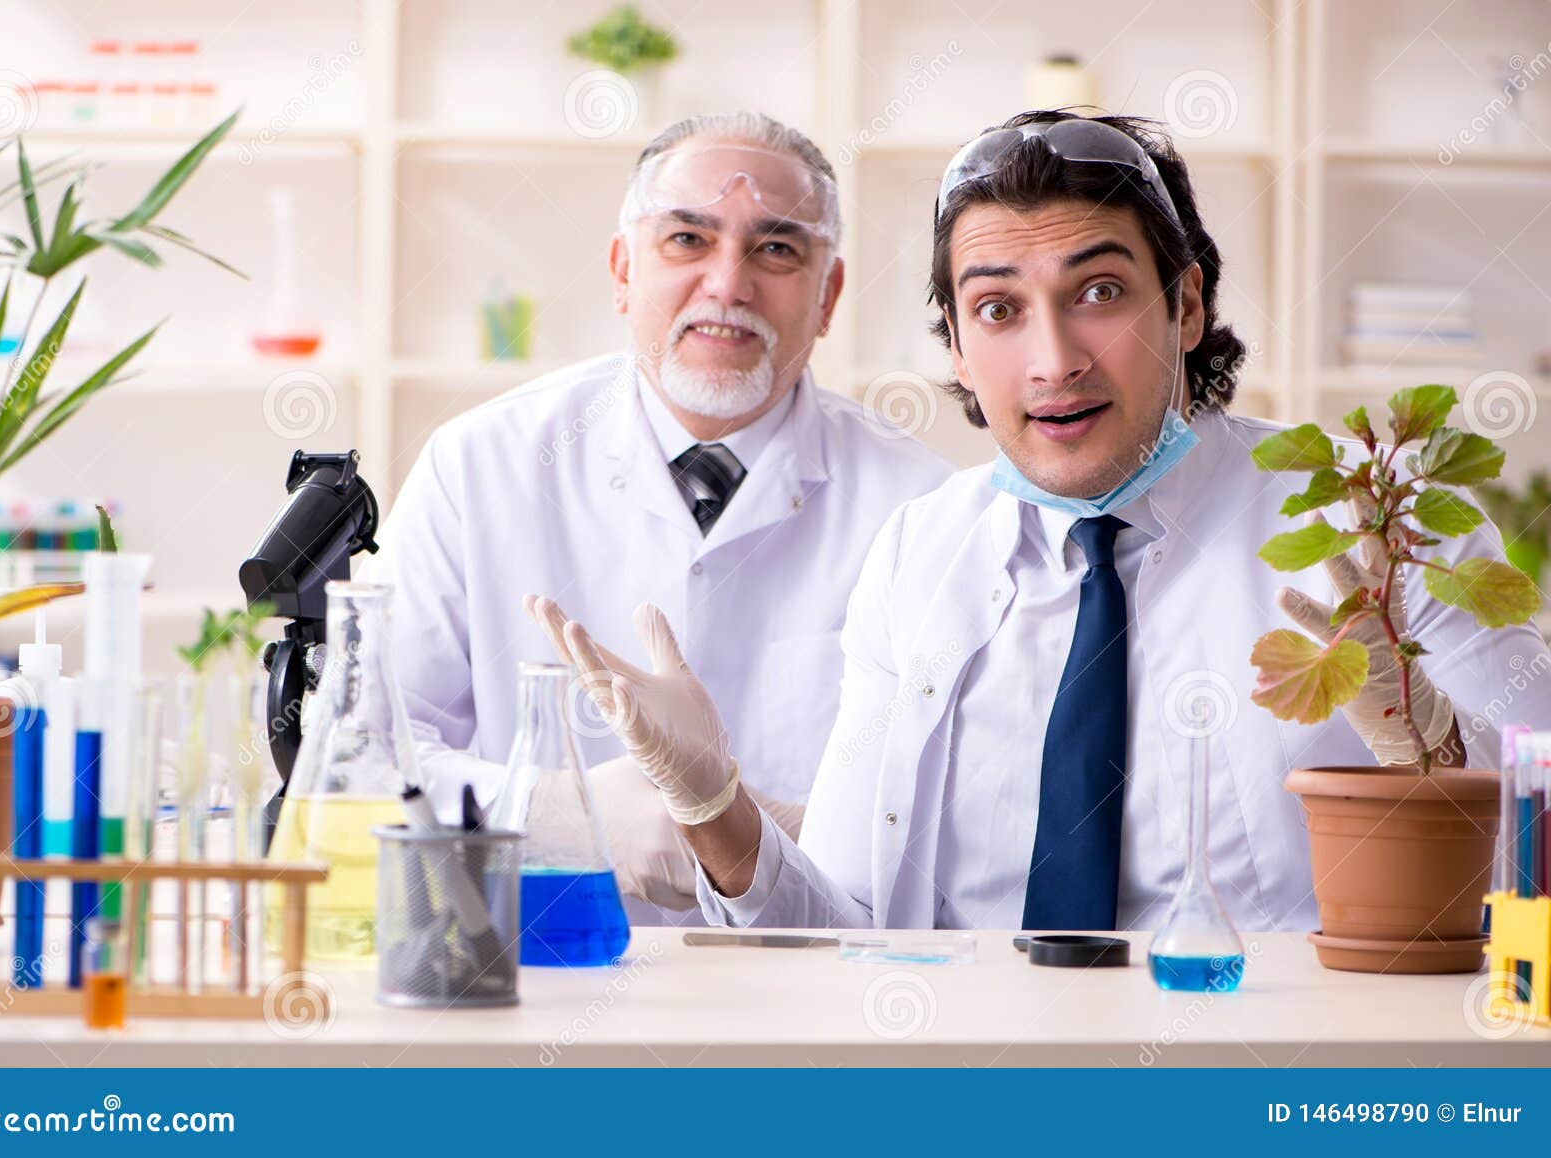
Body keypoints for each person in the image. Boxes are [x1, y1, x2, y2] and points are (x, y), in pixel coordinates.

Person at [527, 110, 1551, 932]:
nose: (1053, 358)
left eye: (1099, 290)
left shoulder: (1368, 524)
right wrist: (716, 807)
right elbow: (842, 939)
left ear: (1186, 307)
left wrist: (1431, 750)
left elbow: (1539, 869)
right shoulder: (918, 554)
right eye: (999, 309)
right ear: (961, 350)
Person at [362, 111, 950, 924]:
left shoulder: (923, 509)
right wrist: (560, 816)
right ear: (621, 270)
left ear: (828, 295)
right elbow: (363, 762)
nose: (728, 283)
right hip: (530, 980)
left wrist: (761, 830)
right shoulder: (477, 468)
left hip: (812, 1004)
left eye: (777, 248)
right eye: (687, 240)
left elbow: (955, 833)